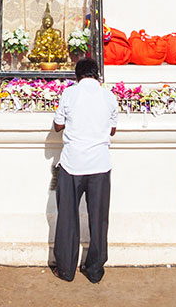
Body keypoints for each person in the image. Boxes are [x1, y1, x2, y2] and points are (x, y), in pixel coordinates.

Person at [51, 56, 118, 283]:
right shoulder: (109, 97)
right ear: (97, 75)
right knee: (99, 218)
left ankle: (66, 269)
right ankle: (95, 269)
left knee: (68, 216)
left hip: (73, 164)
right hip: (100, 164)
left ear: (77, 76)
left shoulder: (70, 94)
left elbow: (58, 125)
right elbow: (112, 130)